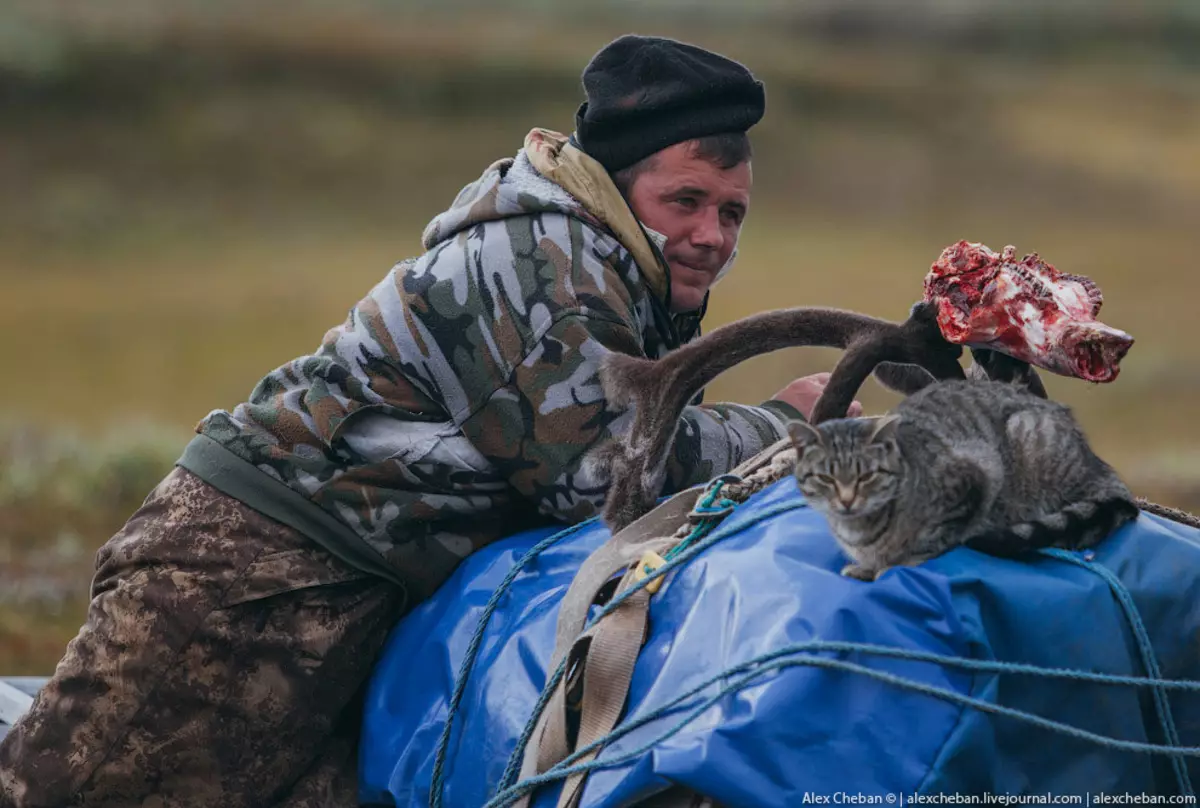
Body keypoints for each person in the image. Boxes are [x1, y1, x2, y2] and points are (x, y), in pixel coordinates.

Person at [0, 34, 859, 807]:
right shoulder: (543, 258)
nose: (711, 235)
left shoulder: (615, 271)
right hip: (243, 579)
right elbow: (602, 476)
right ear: (619, 185)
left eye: (731, 212)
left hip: (356, 605)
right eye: (686, 201)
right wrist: (781, 427)